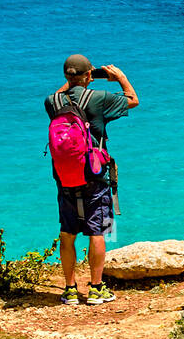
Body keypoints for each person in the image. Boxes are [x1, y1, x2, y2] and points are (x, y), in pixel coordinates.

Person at [44, 55, 139, 306]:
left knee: (67, 232)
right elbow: (133, 100)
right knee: (97, 232)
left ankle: (70, 290)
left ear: (66, 76)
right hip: (94, 175)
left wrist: (73, 81)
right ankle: (96, 289)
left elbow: (60, 95)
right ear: (89, 76)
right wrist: (120, 77)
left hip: (64, 177)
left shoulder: (51, 101)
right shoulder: (98, 98)